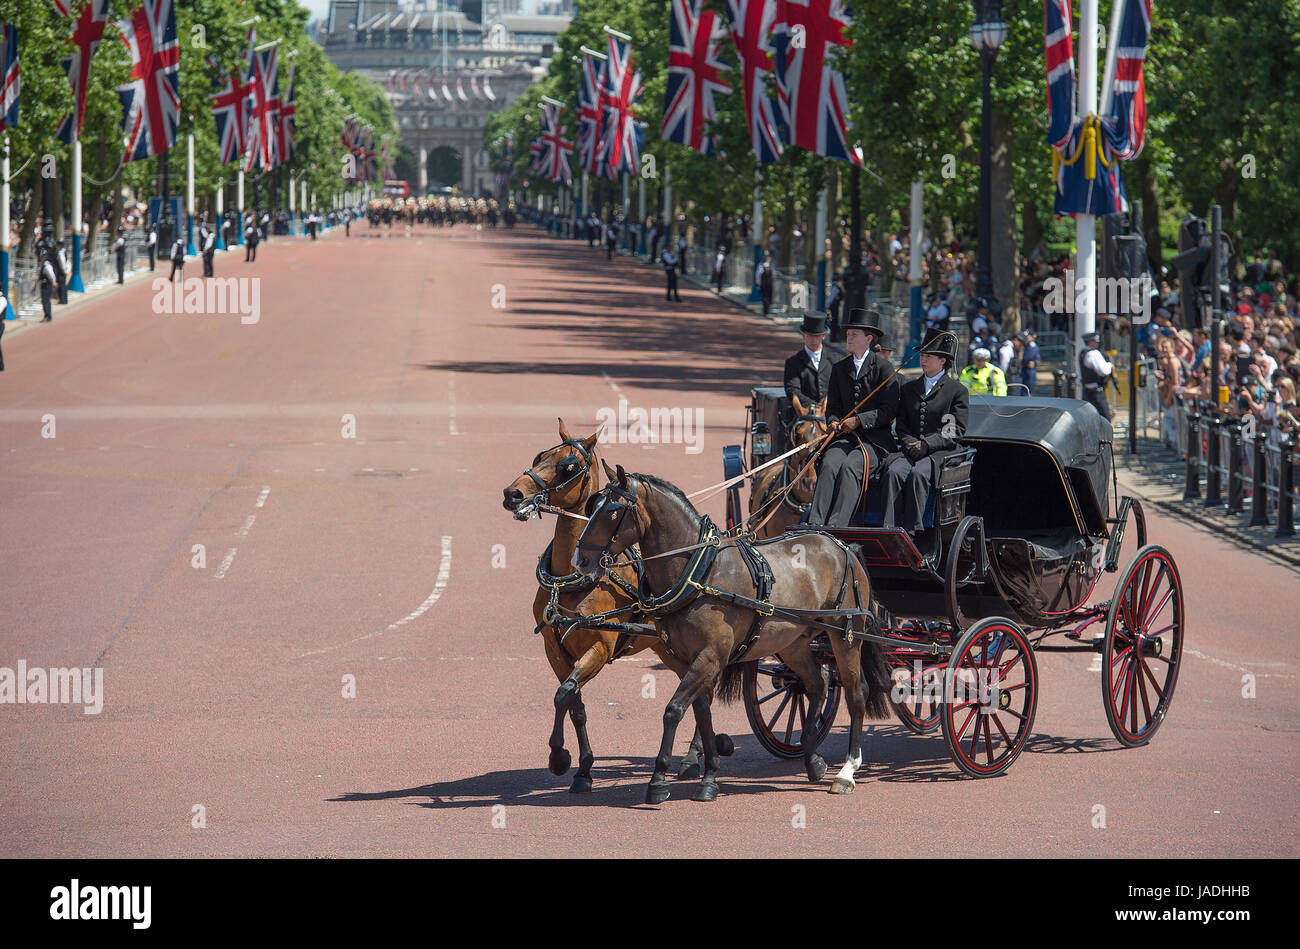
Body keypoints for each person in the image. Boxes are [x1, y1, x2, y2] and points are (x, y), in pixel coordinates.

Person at [807, 310, 900, 526]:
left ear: (868, 339)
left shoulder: (885, 369)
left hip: (876, 441)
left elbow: (888, 411)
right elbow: (834, 408)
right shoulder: (839, 369)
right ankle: (815, 523)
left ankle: (837, 525)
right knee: (829, 462)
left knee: (851, 466)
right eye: (848, 334)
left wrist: (859, 421)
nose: (848, 338)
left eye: (854, 334)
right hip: (845, 438)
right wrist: (831, 421)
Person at [882, 330, 969, 546]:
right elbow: (901, 425)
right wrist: (909, 443)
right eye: (922, 355)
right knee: (894, 471)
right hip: (911, 449)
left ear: (942, 360)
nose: (923, 360)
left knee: (919, 474)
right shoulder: (910, 388)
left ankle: (914, 530)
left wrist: (927, 444)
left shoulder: (956, 391)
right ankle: (888, 528)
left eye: (928, 356)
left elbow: (954, 429)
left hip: (938, 454)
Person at [784, 314, 834, 408]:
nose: (814, 340)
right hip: (804, 412)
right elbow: (793, 390)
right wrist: (814, 407)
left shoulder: (836, 360)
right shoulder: (793, 362)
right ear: (803, 335)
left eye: (817, 336)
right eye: (810, 336)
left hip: (831, 412)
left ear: (823, 336)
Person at [1080, 331, 1115, 420]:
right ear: (1090, 342)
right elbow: (1103, 371)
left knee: (1090, 418)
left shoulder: (1083, 352)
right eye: (1095, 341)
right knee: (1105, 419)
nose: (1097, 343)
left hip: (1087, 391)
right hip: (1096, 392)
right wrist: (1110, 366)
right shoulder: (1093, 353)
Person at [38, 248, 57, 322]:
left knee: (46, 301)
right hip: (45, 285)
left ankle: (47, 316)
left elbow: (51, 275)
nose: (40, 259)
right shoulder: (44, 265)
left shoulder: (47, 266)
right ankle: (47, 315)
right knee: (45, 301)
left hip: (46, 285)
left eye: (41, 258)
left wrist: (54, 282)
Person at [1020, 329, 1040, 394]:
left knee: (1027, 392)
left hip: (1029, 370)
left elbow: (1027, 358)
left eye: (1027, 336)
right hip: (1027, 370)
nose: (1025, 338)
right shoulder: (1028, 345)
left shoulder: (1031, 346)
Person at [825, 272, 844, 340]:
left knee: (835, 322)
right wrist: (827, 305)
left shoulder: (835, 286)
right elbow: (831, 297)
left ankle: (834, 337)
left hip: (835, 307)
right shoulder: (836, 287)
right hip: (834, 307)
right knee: (834, 322)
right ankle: (833, 338)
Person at [757, 251, 774, 316]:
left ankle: (766, 310)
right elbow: (759, 276)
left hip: (766, 284)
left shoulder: (763, 265)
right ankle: (766, 310)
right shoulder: (762, 265)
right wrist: (759, 284)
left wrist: (758, 284)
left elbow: (758, 276)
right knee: (767, 297)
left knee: (766, 297)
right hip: (766, 284)